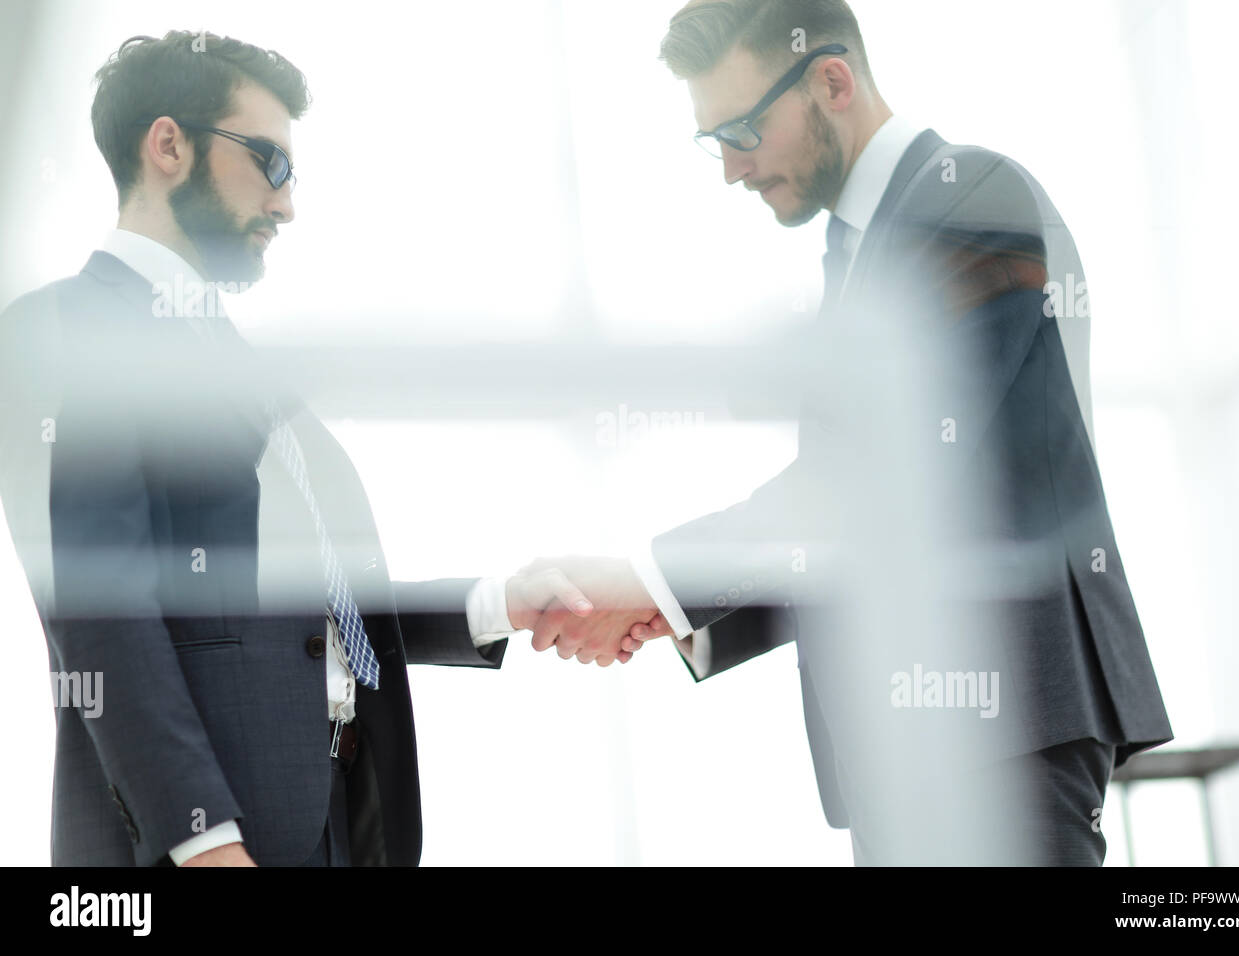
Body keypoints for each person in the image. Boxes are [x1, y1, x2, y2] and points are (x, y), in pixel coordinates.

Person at [525, 0, 1174, 865]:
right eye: (709, 139)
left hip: (1003, 726)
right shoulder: (857, 251)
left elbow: (887, 476)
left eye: (743, 129)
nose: (729, 168)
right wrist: (664, 605)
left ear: (831, 79)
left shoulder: (971, 198)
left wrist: (654, 580)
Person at [0, 31, 658, 867]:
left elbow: (312, 605)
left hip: (331, 825)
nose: (286, 204)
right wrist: (201, 839)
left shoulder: (239, 362)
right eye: (269, 162)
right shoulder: (59, 332)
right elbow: (102, 618)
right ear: (168, 144)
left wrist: (499, 601)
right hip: (203, 844)